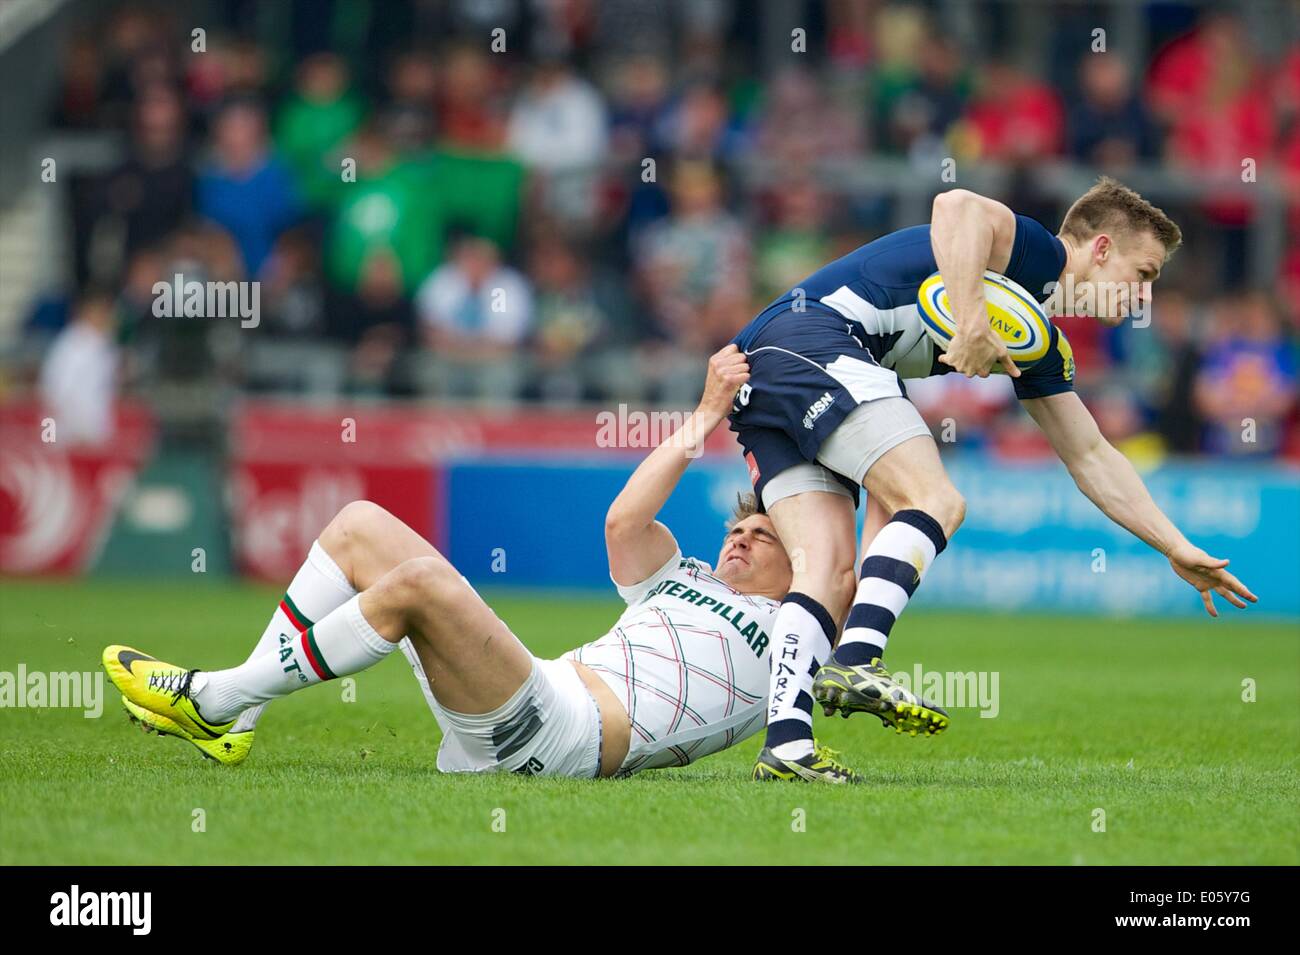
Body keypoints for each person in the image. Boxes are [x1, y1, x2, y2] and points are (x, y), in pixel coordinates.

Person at [101, 348, 859, 782]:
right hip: (534, 690)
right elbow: (624, 521)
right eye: (739, 525)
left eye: (763, 536)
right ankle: (242, 713)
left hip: (573, 739)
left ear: (803, 560)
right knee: (359, 524)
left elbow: (848, 572)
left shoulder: (800, 633)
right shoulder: (683, 575)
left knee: (419, 587)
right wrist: (702, 418)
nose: (741, 538)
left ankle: (215, 697)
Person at [728, 176, 1259, 783]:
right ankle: (858, 659)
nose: (1145, 296)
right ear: (1102, 248)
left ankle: (787, 747)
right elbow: (954, 204)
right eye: (1145, 274)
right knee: (936, 499)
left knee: (828, 570)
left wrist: (1175, 544)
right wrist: (972, 318)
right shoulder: (1037, 255)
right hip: (819, 341)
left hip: (764, 369)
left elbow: (1091, 455)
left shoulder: (1036, 340)